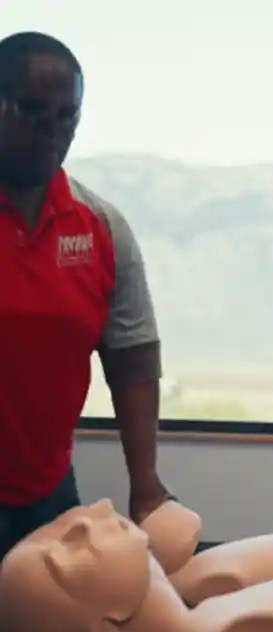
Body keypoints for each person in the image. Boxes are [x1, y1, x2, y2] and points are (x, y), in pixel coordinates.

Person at [0, 32, 174, 559]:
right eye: (32, 110)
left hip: (48, 494)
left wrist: (146, 485)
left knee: (67, 617)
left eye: (66, 115)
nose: (51, 129)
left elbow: (132, 357)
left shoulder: (99, 226)